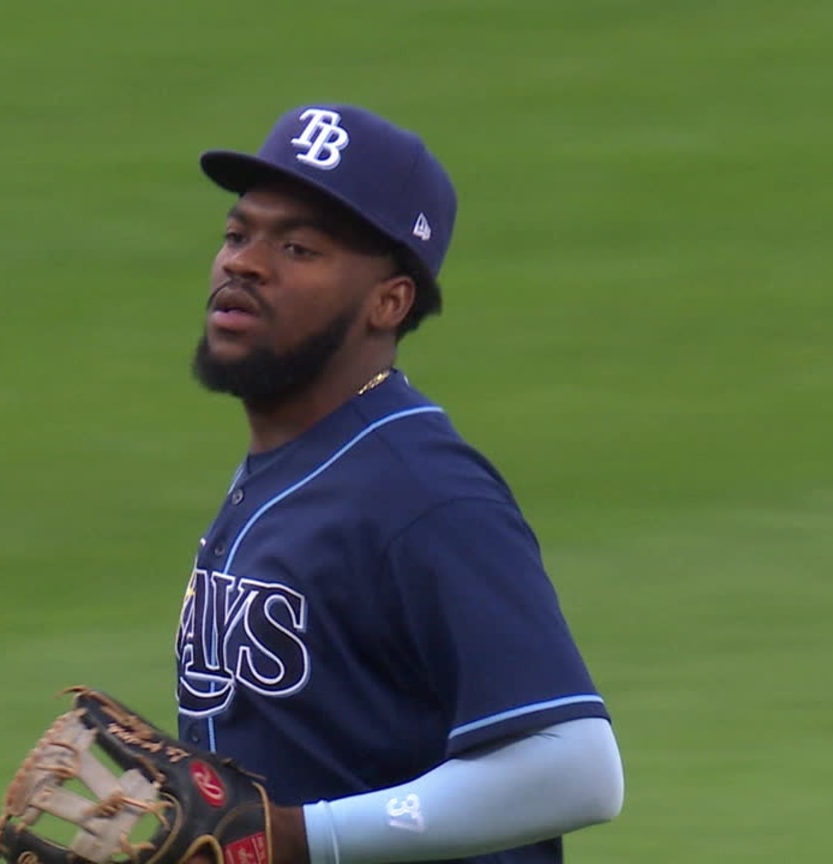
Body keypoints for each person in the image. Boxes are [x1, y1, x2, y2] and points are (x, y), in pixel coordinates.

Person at [174, 105, 625, 864]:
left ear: (388, 301)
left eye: (297, 247)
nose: (244, 263)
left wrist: (302, 840)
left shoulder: (423, 493)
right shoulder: (294, 461)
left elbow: (576, 768)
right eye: (237, 233)